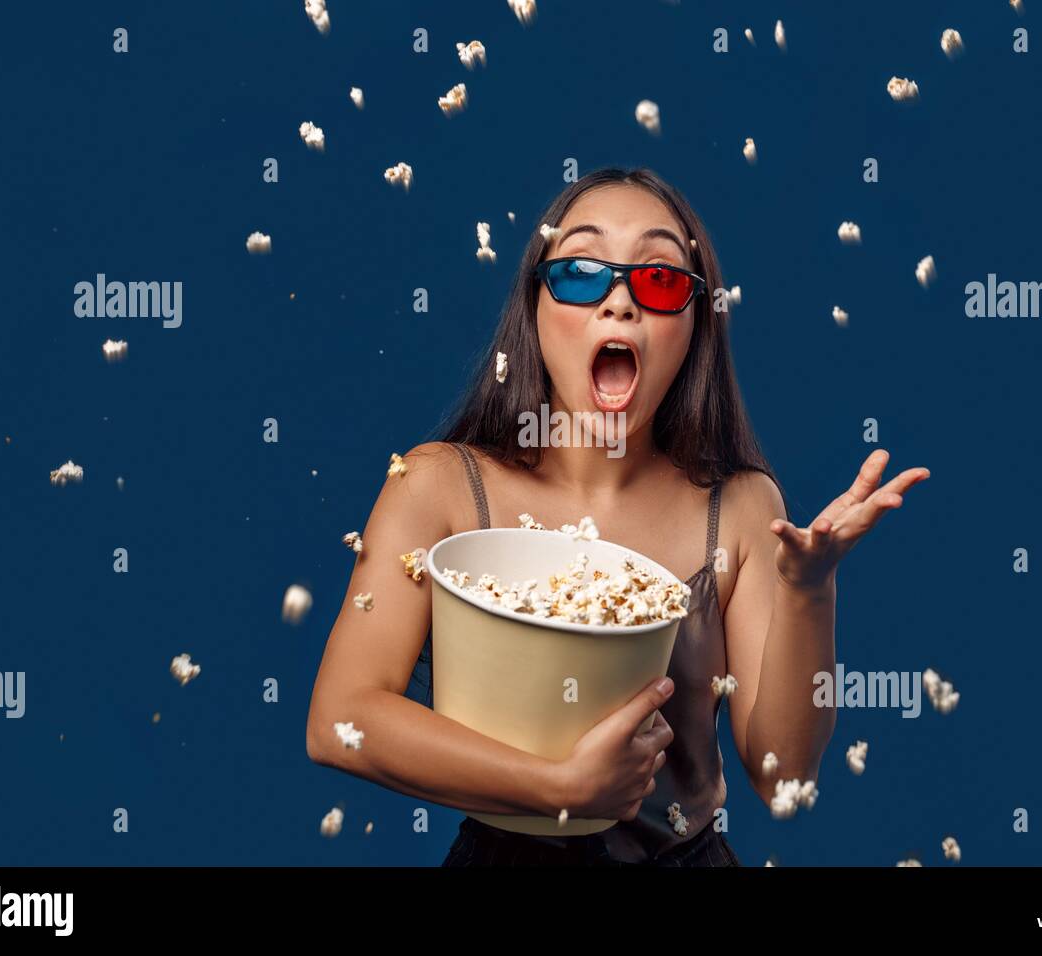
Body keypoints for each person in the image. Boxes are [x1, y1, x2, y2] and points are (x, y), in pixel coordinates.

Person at [306, 167, 930, 866]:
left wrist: (808, 590)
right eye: (580, 272)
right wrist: (558, 788)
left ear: (695, 323)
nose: (619, 304)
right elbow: (339, 720)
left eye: (659, 281)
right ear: (535, 305)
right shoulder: (436, 485)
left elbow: (784, 774)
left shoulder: (745, 506)